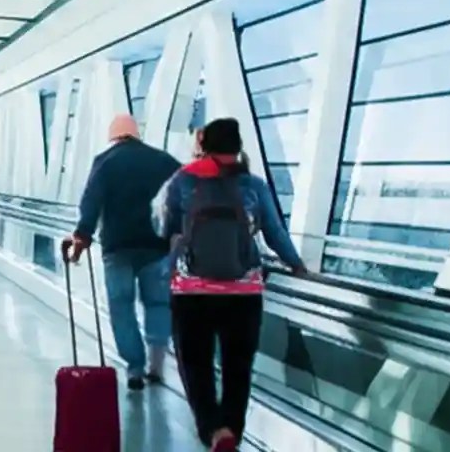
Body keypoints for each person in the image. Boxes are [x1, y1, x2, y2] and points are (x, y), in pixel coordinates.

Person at [164, 118, 306, 452]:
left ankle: (214, 432)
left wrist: (165, 275)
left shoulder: (183, 182)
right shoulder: (254, 185)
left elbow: (167, 233)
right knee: (237, 368)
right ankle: (233, 431)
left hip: (192, 292)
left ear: (204, 146)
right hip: (244, 294)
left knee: (195, 364)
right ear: (238, 147)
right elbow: (274, 233)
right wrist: (296, 265)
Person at [63, 114, 180, 391]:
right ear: (137, 134)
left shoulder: (105, 162)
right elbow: (185, 193)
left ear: (113, 137)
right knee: (158, 304)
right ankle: (157, 364)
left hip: (117, 247)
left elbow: (90, 202)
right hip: (157, 246)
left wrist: (82, 237)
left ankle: (134, 368)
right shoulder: (165, 161)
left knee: (121, 306)